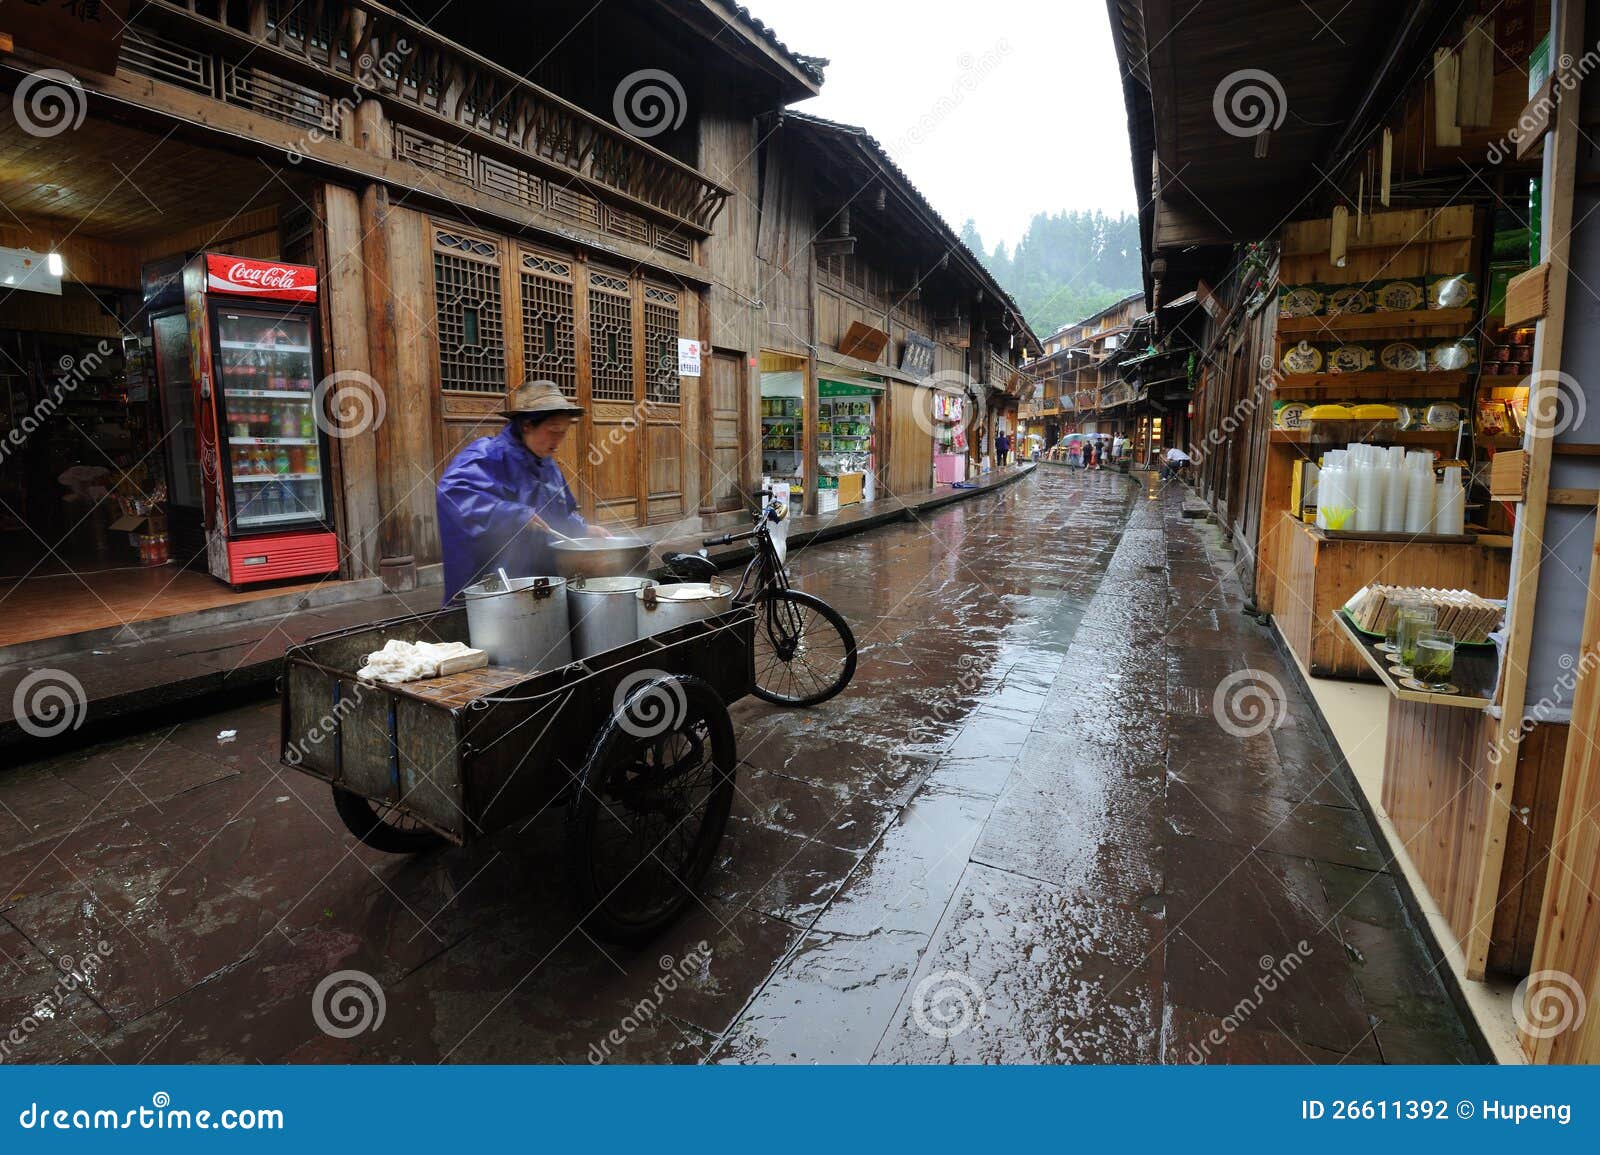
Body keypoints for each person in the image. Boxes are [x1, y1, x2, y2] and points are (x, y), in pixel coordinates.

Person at [436, 380, 611, 603]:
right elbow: (453, 496)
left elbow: (558, 516)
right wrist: (513, 514)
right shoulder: (489, 455)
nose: (558, 440)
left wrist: (583, 529)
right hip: (499, 586)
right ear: (527, 425)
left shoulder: (548, 465)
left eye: (564, 432)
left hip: (542, 583)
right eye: (553, 431)